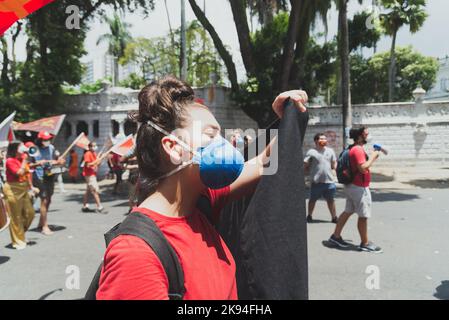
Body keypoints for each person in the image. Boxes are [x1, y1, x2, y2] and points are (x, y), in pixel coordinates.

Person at [96, 76, 308, 300]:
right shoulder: (135, 254)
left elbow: (263, 161)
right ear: (174, 148)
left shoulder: (202, 201)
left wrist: (289, 118)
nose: (224, 144)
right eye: (211, 135)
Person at [329, 127, 382, 253]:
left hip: (352, 186)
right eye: (366, 133)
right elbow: (363, 168)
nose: (368, 135)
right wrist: (374, 156)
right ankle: (365, 243)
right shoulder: (358, 149)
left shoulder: (352, 147)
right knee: (363, 216)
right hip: (359, 187)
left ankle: (335, 237)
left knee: (348, 211)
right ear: (359, 136)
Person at [2, 142, 37, 250]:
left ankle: (21, 234)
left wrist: (31, 187)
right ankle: (17, 241)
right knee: (16, 217)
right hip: (13, 190)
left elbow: (27, 172)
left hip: (24, 188)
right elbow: (19, 172)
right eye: (20, 146)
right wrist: (25, 161)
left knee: (30, 213)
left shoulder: (22, 158)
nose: (23, 147)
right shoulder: (9, 161)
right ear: (14, 149)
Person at [31, 131, 65, 235]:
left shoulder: (52, 148)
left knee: (49, 200)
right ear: (40, 140)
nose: (47, 141)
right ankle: (44, 227)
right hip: (39, 177)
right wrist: (39, 163)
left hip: (50, 176)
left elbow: (58, 160)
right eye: (45, 139)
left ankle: (41, 223)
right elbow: (29, 164)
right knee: (44, 201)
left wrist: (60, 161)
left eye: (48, 139)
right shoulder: (33, 149)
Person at [304, 133, 338, 223]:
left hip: (329, 181)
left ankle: (334, 217)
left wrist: (338, 171)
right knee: (312, 200)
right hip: (316, 182)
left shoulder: (330, 151)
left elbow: (334, 163)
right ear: (316, 141)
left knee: (331, 200)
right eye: (321, 139)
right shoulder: (311, 152)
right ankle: (309, 215)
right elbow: (305, 164)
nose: (324, 140)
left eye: (325, 139)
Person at [81, 142, 105, 213]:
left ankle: (84, 206)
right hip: (89, 175)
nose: (95, 147)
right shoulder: (87, 154)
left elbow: (97, 164)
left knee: (88, 190)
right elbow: (88, 165)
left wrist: (101, 159)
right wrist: (97, 161)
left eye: (95, 145)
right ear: (90, 147)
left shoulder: (94, 153)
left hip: (92, 174)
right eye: (93, 146)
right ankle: (99, 206)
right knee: (94, 190)